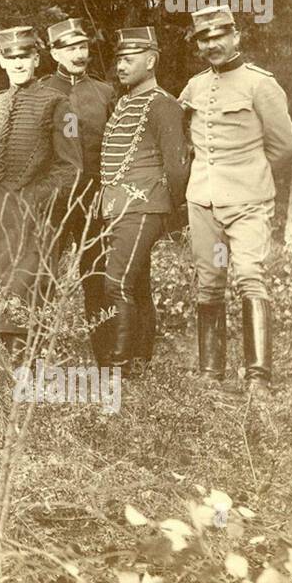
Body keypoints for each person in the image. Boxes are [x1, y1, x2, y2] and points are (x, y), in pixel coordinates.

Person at [179, 5, 292, 392]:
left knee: (249, 276)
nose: (212, 44)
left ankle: (258, 377)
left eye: (219, 36)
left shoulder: (259, 84)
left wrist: (252, 171)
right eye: (204, 39)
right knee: (209, 282)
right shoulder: (194, 87)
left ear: (236, 37)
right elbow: (186, 140)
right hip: (203, 201)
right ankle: (210, 374)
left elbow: (286, 144)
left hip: (248, 202)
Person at [0, 26, 83, 364]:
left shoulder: (62, 105)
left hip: (28, 224)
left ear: (36, 59)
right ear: (0, 60)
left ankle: (20, 380)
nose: (18, 63)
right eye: (10, 57)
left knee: (20, 305)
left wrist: (32, 198)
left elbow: (72, 169)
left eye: (24, 56)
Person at [97, 27, 188, 375]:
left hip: (144, 205)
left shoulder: (163, 104)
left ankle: (119, 367)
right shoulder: (123, 102)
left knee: (117, 283)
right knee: (135, 284)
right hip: (119, 207)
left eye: (129, 59)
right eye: (119, 59)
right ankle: (138, 362)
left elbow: (177, 166)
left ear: (150, 62)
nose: (121, 66)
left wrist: (171, 210)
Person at [38, 13, 115, 355]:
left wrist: (107, 191)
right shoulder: (41, 92)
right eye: (69, 48)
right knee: (43, 274)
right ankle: (39, 353)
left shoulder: (104, 92)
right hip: (52, 199)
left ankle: (106, 355)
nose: (79, 54)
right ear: (54, 53)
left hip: (93, 199)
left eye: (82, 46)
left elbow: (116, 148)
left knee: (97, 275)